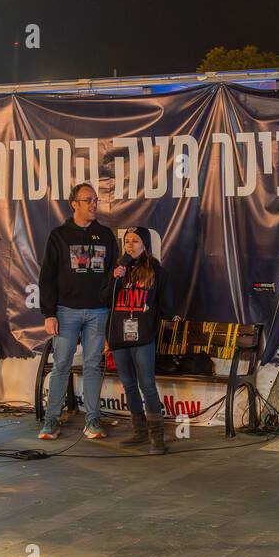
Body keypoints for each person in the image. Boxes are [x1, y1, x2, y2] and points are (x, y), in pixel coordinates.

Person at [38, 183, 119, 440]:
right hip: (66, 312)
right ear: (74, 204)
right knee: (61, 365)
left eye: (95, 200)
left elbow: (112, 275)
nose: (94, 204)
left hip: (98, 312)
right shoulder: (59, 235)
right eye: (88, 200)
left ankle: (93, 421)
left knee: (93, 366)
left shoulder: (105, 235)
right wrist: (49, 313)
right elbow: (47, 277)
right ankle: (51, 421)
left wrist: (110, 307)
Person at [105, 226, 176, 454]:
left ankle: (157, 438)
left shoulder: (157, 272)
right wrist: (114, 278)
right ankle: (139, 432)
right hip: (118, 337)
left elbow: (167, 307)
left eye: (135, 241)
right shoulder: (118, 270)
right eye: (127, 241)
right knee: (128, 384)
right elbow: (104, 300)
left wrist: (159, 318)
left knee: (147, 385)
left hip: (143, 337)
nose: (130, 245)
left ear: (145, 245)